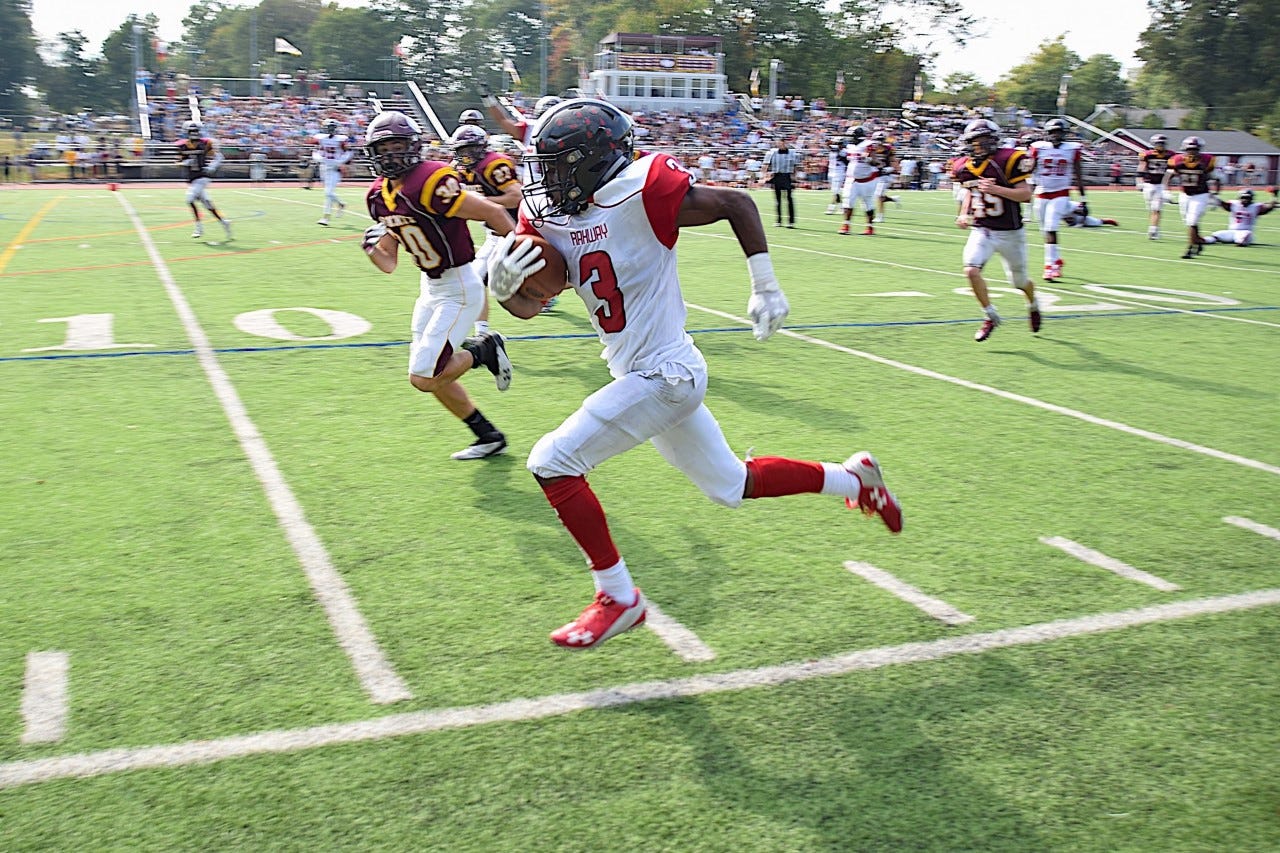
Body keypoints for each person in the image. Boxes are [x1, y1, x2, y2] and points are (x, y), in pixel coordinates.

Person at [484, 99, 902, 650]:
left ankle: (618, 597)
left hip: (666, 374)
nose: (545, 181)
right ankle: (855, 479)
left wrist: (765, 284)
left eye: (557, 167)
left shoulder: (638, 190)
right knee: (731, 485)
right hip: (642, 372)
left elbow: (736, 203)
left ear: (593, 163)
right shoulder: (553, 215)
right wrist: (502, 287)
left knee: (552, 462)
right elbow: (530, 305)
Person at [360, 111, 518, 461]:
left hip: (459, 286)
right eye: (383, 148)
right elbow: (389, 262)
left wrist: (519, 250)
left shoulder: (430, 179)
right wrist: (372, 250)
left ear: (413, 146)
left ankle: (484, 349)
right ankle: (488, 436)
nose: (390, 155)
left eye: (397, 146)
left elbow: (492, 213)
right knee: (430, 372)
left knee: (423, 375)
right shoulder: (377, 195)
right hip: (430, 288)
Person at [950, 118, 1042, 343]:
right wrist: (964, 213)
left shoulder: (1008, 159)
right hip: (983, 229)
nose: (979, 145)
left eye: (984, 140)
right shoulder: (963, 166)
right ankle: (989, 315)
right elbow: (971, 191)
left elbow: (1026, 195)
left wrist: (997, 189)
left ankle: (1032, 304)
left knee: (1019, 282)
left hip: (1011, 232)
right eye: (975, 141)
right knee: (971, 270)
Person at [449, 122, 524, 332]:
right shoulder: (460, 170)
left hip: (516, 229)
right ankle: (482, 333)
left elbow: (516, 197)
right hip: (494, 234)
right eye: (461, 150)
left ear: (482, 148)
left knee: (488, 281)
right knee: (475, 280)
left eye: (470, 149)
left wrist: (481, 203)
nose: (466, 155)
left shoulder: (494, 165)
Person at [1028, 118, 1085, 280]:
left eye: (1059, 132)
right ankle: (1057, 260)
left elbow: (1078, 175)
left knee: (1051, 226)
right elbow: (1030, 170)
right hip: (1041, 192)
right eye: (1053, 132)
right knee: (1045, 230)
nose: (1056, 135)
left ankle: (1049, 266)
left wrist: (1083, 198)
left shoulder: (1072, 149)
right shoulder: (1038, 147)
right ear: (1047, 133)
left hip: (1061, 193)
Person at [1162, 136, 1219, 259]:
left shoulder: (1206, 160)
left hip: (1201, 194)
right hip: (1185, 194)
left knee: (1192, 221)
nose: (1192, 151)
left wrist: (1215, 194)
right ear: (1185, 149)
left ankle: (1190, 248)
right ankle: (1198, 242)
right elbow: (1168, 176)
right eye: (1190, 149)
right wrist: (1166, 190)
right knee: (1189, 222)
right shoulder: (1177, 160)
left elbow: (1215, 178)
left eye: (1195, 149)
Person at [175, 120, 232, 241]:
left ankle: (198, 228)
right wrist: (185, 162)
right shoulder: (182, 145)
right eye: (191, 131)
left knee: (189, 199)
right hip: (192, 178)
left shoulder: (205, 143)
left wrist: (212, 166)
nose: (193, 133)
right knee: (207, 204)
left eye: (195, 131)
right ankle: (224, 222)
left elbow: (219, 157)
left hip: (203, 177)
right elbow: (177, 162)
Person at [839, 129, 880, 235]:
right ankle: (846, 225)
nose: (849, 138)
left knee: (867, 203)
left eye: (851, 136)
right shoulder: (850, 146)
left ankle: (870, 227)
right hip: (851, 178)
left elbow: (876, 162)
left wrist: (868, 159)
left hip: (867, 179)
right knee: (848, 201)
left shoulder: (868, 144)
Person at [1203, 188, 1277, 246]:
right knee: (1216, 235)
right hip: (1231, 232)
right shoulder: (1234, 204)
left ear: (1251, 198)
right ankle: (1203, 241)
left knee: (1245, 236)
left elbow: (1269, 207)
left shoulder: (1256, 207)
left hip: (1245, 232)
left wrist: (1274, 196)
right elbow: (1222, 204)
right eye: (1243, 197)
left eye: (1247, 198)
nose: (1245, 200)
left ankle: (1242, 241)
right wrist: (1213, 196)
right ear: (1239, 197)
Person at [313, 118, 353, 225]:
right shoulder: (320, 138)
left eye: (332, 127)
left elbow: (349, 153)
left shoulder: (341, 139)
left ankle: (326, 217)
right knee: (328, 193)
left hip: (334, 169)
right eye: (329, 127)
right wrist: (318, 158)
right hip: (324, 167)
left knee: (328, 193)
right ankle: (341, 204)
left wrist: (339, 161)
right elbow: (315, 151)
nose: (330, 129)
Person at [1137, 134, 1173, 240]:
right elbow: (1142, 167)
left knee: (1156, 209)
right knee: (1152, 209)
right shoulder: (1147, 154)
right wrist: (1139, 181)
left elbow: (1171, 171)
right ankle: (1153, 228)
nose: (1161, 145)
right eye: (1159, 143)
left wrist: (1166, 188)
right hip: (1148, 184)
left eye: (1162, 143)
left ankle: (1153, 230)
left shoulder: (1170, 155)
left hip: (1160, 185)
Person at [761, 137, 799, 227]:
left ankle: (791, 222)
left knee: (789, 199)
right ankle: (778, 220)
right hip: (776, 175)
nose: (780, 144)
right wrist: (764, 177)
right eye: (779, 143)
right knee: (777, 199)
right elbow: (765, 165)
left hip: (787, 176)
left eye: (782, 143)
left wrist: (794, 179)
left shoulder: (793, 153)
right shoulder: (772, 152)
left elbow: (795, 167)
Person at [869, 131, 900, 222]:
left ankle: (880, 216)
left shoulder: (888, 149)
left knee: (878, 195)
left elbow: (894, 160)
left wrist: (892, 168)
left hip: (885, 175)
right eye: (877, 139)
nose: (879, 141)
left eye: (881, 139)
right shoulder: (871, 148)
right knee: (876, 195)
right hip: (874, 174)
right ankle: (893, 199)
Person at [825, 137, 848, 214]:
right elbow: (828, 145)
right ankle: (841, 207)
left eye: (838, 143)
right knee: (835, 191)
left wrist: (833, 146)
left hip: (839, 172)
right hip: (831, 171)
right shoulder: (833, 149)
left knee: (835, 191)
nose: (836, 145)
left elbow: (840, 154)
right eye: (836, 143)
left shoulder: (844, 151)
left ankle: (831, 207)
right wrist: (829, 141)